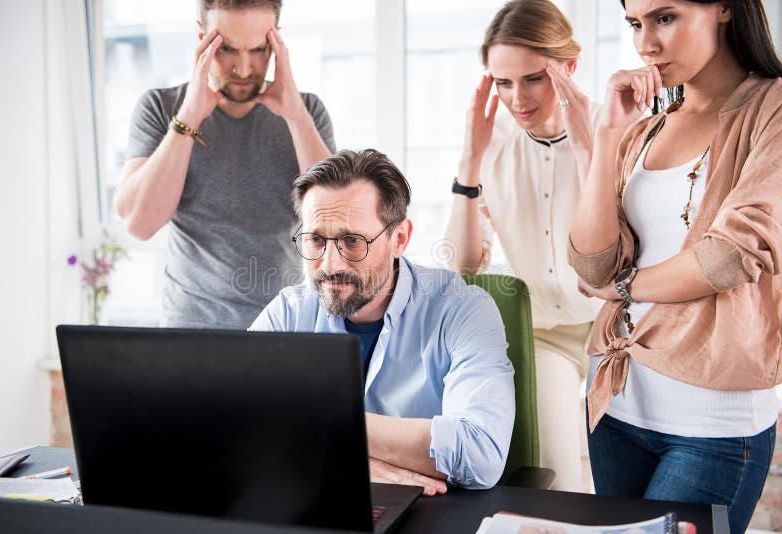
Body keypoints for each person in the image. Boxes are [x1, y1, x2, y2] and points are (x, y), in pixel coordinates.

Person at [568, 1, 782, 531]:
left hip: (713, 423)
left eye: (665, 18)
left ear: (725, 8)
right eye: (635, 24)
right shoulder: (646, 130)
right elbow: (591, 264)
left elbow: (734, 253)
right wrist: (610, 135)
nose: (646, 45)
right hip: (615, 407)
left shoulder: (771, 108)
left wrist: (625, 287)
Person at [250, 149, 515, 493]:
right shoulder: (289, 311)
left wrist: (322, 431)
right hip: (314, 495)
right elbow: (236, 423)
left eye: (352, 241)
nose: (331, 264)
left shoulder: (463, 309)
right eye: (316, 240)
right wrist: (356, 462)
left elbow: (481, 454)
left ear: (399, 239)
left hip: (429, 506)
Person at [444, 0, 600, 492]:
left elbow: (623, 246)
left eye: (533, 78)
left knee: (625, 486)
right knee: (557, 483)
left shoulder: (614, 130)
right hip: (546, 335)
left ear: (568, 67)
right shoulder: (492, 145)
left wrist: (589, 147)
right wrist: (469, 161)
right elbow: (464, 263)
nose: (518, 98)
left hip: (619, 331)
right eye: (502, 83)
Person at [115, 0, 335, 328]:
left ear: (277, 41)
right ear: (203, 38)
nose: (244, 69)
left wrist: (295, 116)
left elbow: (335, 223)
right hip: (190, 338)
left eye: (259, 49)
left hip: (282, 330)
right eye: (227, 49)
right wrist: (189, 117)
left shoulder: (307, 113)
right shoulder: (162, 108)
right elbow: (139, 222)